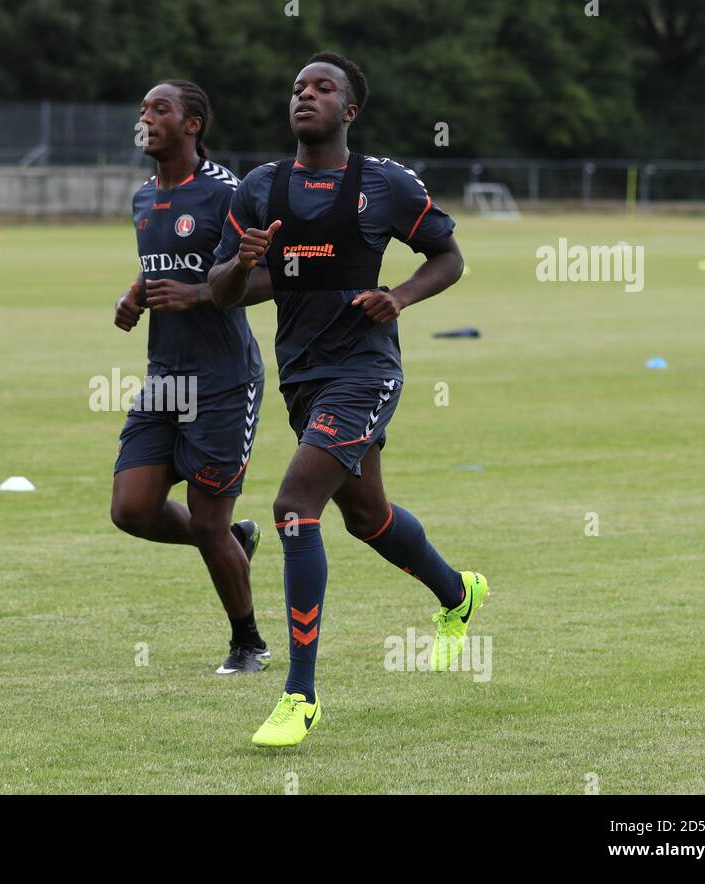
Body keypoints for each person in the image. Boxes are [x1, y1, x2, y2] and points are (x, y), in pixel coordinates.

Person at [208, 53, 489, 746]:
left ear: (349, 111)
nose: (305, 95)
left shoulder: (383, 185)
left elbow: (448, 257)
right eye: (298, 86)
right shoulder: (259, 188)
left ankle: (299, 695)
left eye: (322, 87)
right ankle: (459, 594)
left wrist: (397, 297)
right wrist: (242, 263)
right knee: (367, 517)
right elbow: (221, 293)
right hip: (300, 376)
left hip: (366, 372)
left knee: (294, 507)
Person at [112, 80, 272, 675]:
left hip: (225, 381)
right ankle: (235, 538)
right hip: (165, 379)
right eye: (143, 110)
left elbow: (268, 279)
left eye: (160, 109)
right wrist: (134, 296)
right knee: (131, 510)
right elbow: (157, 265)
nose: (146, 118)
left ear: (193, 124)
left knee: (208, 521)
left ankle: (248, 643)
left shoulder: (230, 193)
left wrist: (200, 292)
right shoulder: (142, 198)